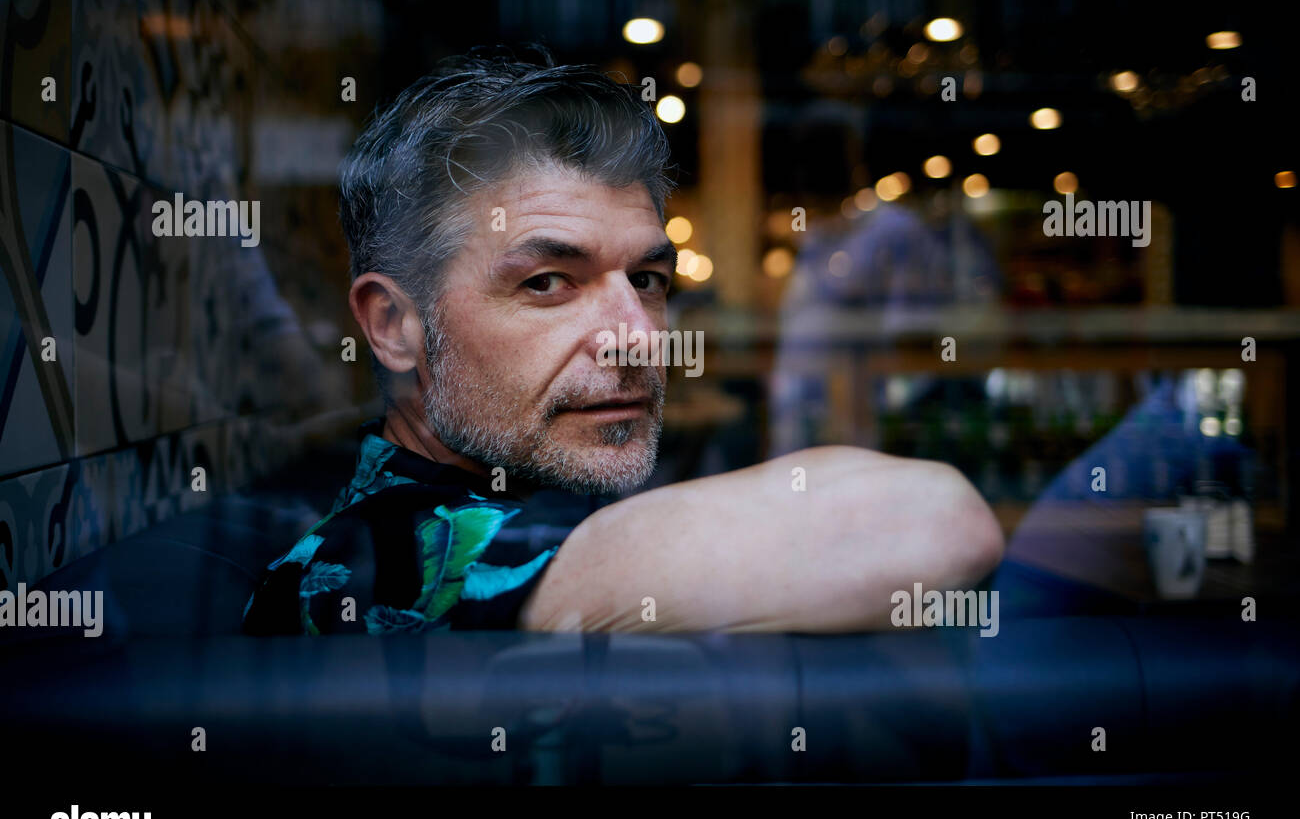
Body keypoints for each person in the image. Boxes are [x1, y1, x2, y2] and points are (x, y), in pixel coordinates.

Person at [241, 48, 1003, 636]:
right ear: (393, 326)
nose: (637, 339)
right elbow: (937, 521)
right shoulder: (387, 561)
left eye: (645, 279)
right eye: (546, 282)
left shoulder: (505, 494)